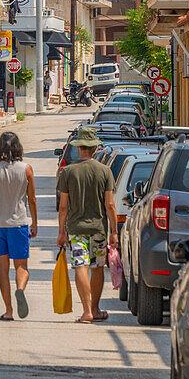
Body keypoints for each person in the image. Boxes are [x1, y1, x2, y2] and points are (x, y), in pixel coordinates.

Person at [56, 125, 118, 324]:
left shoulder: (68, 172)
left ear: (79, 147)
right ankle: (95, 309)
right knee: (97, 267)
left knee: (80, 265)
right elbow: (110, 205)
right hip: (99, 229)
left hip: (76, 230)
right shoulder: (105, 171)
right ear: (95, 148)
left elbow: (63, 207)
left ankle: (86, 311)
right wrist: (114, 232)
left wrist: (61, 232)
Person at [0, 131, 38, 321]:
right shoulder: (26, 169)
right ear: (18, 148)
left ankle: (9, 310)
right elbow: (32, 199)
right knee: (22, 267)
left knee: (2, 269)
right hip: (19, 224)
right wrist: (35, 222)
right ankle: (20, 288)